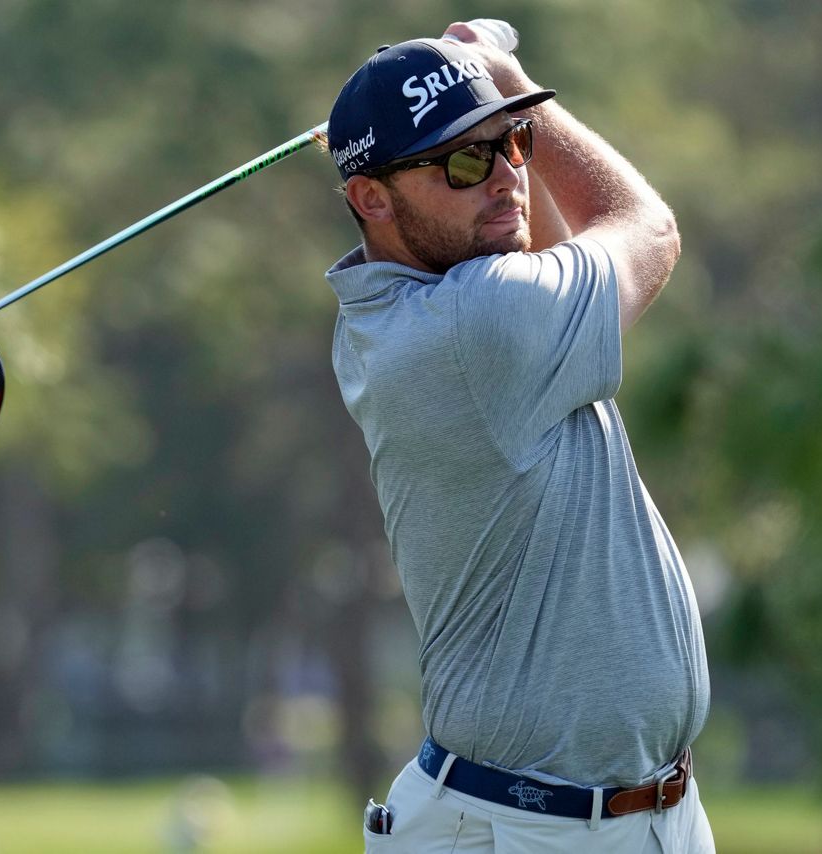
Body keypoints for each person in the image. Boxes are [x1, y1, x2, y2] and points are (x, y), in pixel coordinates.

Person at [323, 19, 713, 854]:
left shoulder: (419, 307)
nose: (504, 178)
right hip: (529, 828)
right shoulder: (480, 325)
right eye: (465, 161)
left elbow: (542, 244)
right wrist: (504, 69)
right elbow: (645, 228)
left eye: (516, 143)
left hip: (624, 815)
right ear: (372, 199)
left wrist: (488, 109)